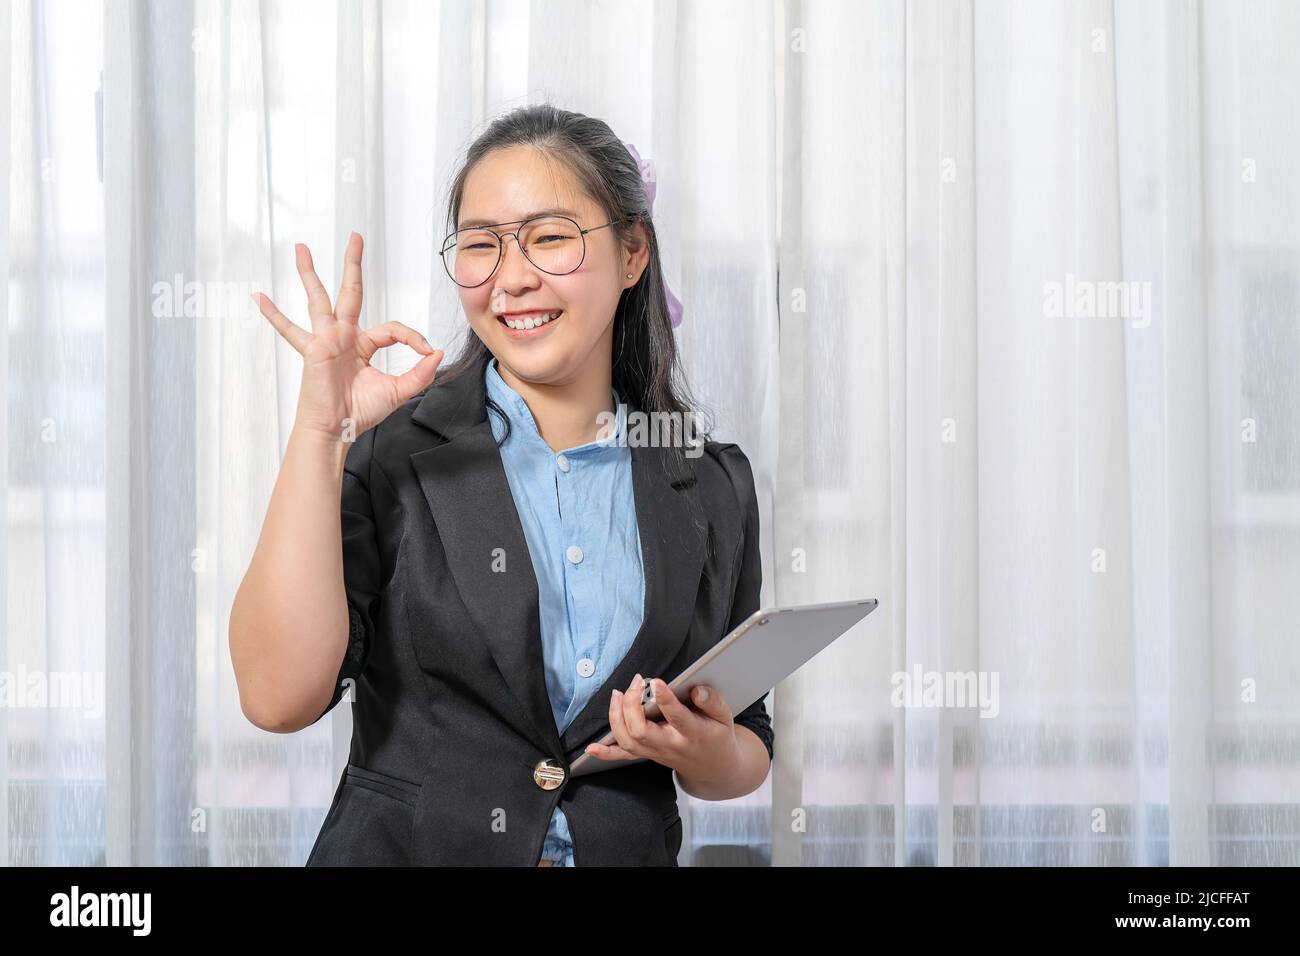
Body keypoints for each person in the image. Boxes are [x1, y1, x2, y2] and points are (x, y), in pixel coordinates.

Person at [229, 104, 774, 866]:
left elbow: (748, 743)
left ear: (632, 253)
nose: (512, 278)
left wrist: (698, 749)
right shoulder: (393, 455)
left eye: (550, 237)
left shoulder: (711, 482)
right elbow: (275, 699)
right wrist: (323, 433)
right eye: (481, 246)